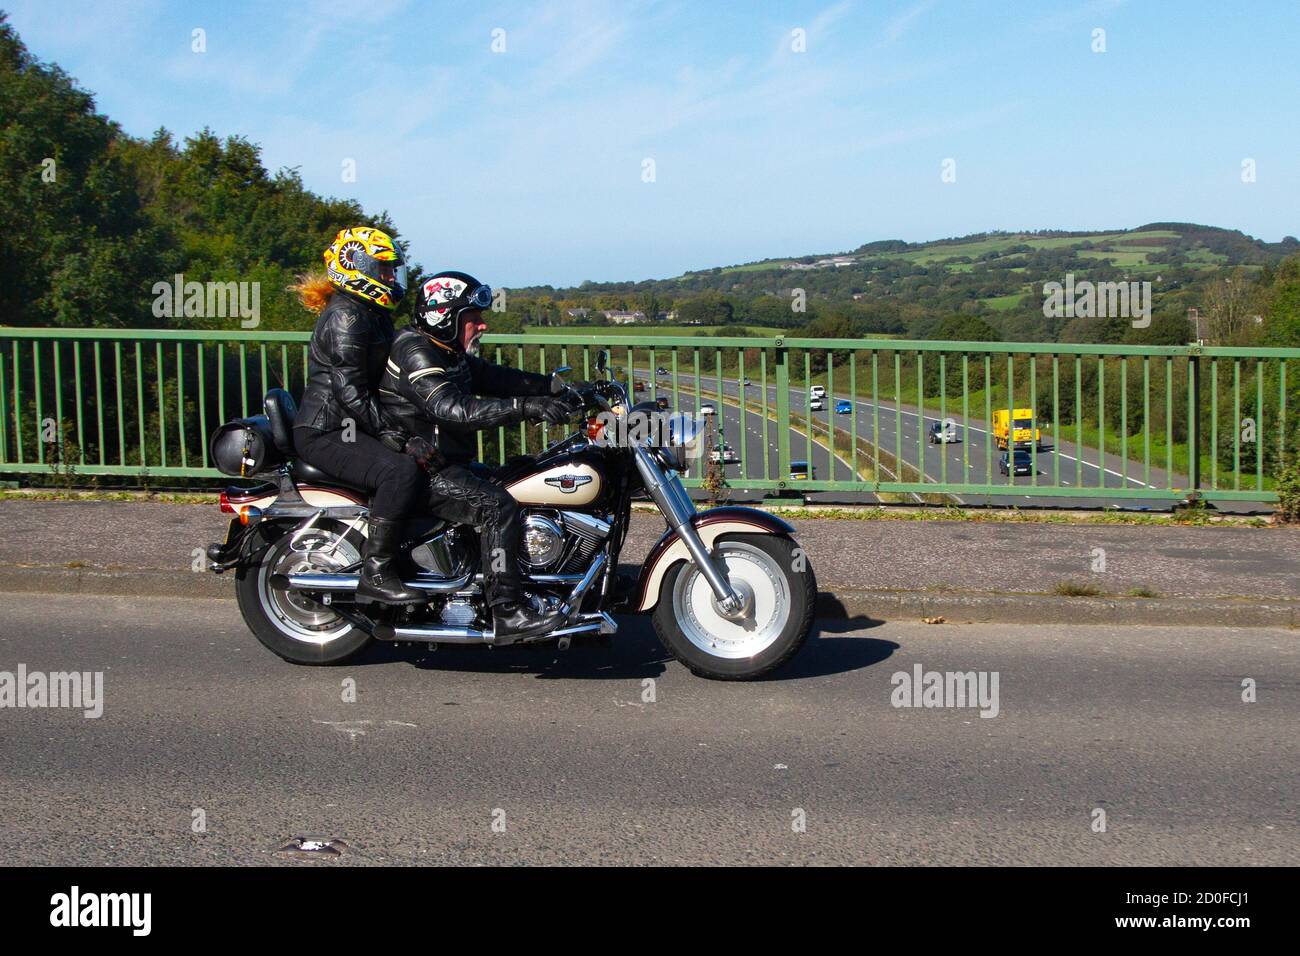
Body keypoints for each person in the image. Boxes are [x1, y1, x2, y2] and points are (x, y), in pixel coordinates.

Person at [379, 271, 581, 643]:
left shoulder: (448, 352)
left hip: (447, 461)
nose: (482, 324)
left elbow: (495, 377)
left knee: (522, 475)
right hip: (426, 467)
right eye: (472, 317)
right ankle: (507, 612)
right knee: (497, 506)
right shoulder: (415, 350)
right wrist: (528, 407)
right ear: (445, 316)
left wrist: (554, 386)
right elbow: (451, 408)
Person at [292, 226, 425, 606]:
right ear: (356, 266)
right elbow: (349, 391)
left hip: (346, 425)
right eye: (383, 270)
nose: (390, 278)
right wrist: (392, 434)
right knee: (399, 471)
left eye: (391, 270)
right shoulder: (347, 316)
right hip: (326, 430)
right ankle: (376, 572)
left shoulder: (372, 313)